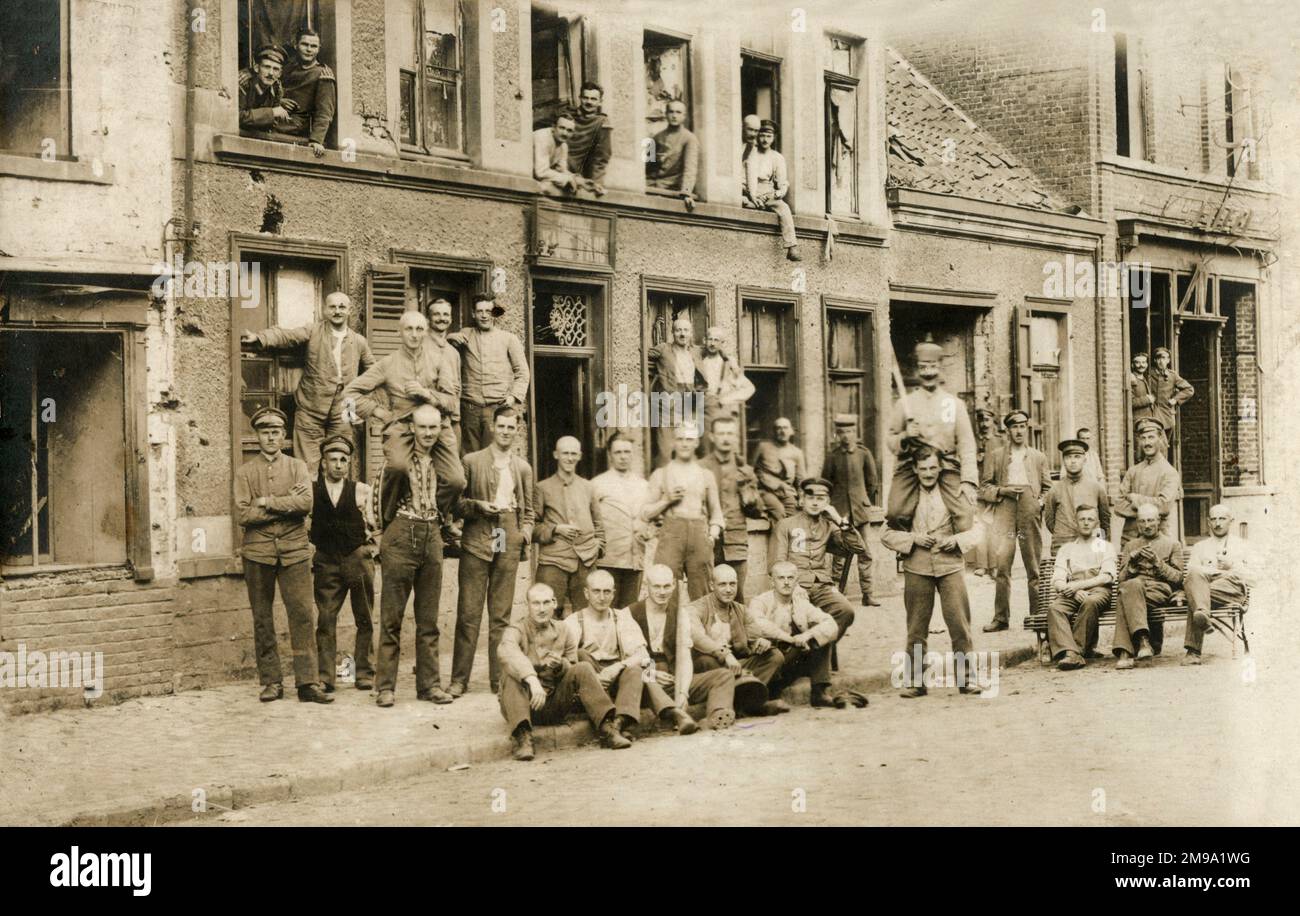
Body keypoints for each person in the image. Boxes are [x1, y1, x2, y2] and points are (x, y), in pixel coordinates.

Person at [234, 407, 331, 704]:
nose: (271, 438)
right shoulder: (245, 472)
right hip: (258, 553)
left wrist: (265, 502)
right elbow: (243, 513)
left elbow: (305, 503)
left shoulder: (298, 467)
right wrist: (283, 504)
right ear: (257, 436)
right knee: (262, 618)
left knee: (301, 614)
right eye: (265, 432)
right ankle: (271, 681)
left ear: (283, 435)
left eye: (276, 432)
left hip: (295, 551)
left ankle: (307, 682)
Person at [341, 309, 465, 524]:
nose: (414, 334)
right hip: (402, 426)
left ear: (426, 332)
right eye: (409, 329)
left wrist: (428, 394)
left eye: (419, 329)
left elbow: (452, 402)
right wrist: (379, 412)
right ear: (400, 332)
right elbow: (348, 394)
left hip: (437, 427)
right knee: (397, 468)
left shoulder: (439, 360)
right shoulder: (388, 363)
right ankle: (389, 520)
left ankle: (436, 517)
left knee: (456, 480)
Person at [881, 448, 985, 697]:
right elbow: (885, 534)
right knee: (916, 627)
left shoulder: (953, 493)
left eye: (932, 468)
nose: (928, 473)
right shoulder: (904, 498)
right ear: (915, 469)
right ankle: (916, 681)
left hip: (950, 566)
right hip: (917, 566)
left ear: (940, 468)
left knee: (959, 624)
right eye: (923, 468)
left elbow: (979, 527)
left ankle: (967, 679)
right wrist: (913, 538)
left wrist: (958, 540)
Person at [241, 291, 374, 477]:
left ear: (349, 311)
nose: (337, 311)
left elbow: (373, 373)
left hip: (344, 410)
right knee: (307, 469)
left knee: (339, 465)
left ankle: (337, 504)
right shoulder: (313, 331)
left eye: (342, 307)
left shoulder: (359, 342)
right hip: (310, 409)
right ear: (324, 310)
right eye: (332, 307)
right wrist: (260, 337)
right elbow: (286, 336)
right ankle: (309, 505)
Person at [449, 405, 534, 698]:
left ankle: (498, 679)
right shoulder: (471, 461)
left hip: (505, 534)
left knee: (500, 614)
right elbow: (456, 503)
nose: (506, 432)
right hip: (479, 532)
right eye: (502, 426)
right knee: (469, 612)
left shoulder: (522, 467)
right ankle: (459, 679)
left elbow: (531, 512)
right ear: (493, 427)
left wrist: (523, 535)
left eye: (512, 427)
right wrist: (477, 506)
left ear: (517, 430)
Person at [498, 583, 632, 762]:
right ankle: (522, 737)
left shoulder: (563, 629)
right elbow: (507, 652)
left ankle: (606, 729)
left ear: (554, 603)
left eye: (546, 603)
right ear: (527, 605)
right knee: (510, 675)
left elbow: (573, 668)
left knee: (583, 668)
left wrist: (561, 666)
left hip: (553, 702)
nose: (542, 609)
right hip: (523, 705)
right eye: (536, 603)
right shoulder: (515, 630)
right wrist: (532, 679)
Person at [372, 404, 450, 707]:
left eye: (434, 428)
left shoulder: (442, 462)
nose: (428, 433)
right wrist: (380, 534)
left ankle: (429, 685)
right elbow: (378, 496)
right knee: (391, 617)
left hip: (432, 535)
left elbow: (453, 489)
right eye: (423, 427)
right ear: (413, 429)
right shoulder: (397, 461)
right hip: (402, 533)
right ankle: (385, 687)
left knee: (428, 620)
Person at [566, 570, 698, 741]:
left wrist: (618, 667)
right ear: (586, 593)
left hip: (617, 681)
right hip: (589, 686)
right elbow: (567, 662)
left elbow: (642, 654)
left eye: (607, 592)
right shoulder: (573, 622)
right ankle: (673, 712)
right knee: (581, 654)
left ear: (613, 594)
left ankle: (620, 723)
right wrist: (593, 677)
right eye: (596, 591)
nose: (601, 597)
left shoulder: (621, 618)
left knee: (637, 670)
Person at [627, 564, 755, 730]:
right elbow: (631, 655)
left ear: (674, 585)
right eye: (656, 586)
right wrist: (652, 672)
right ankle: (677, 715)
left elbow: (684, 657)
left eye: (666, 586)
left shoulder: (681, 614)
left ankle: (718, 714)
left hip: (673, 678)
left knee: (723, 675)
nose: (662, 592)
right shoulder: (629, 613)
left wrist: (683, 692)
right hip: (646, 678)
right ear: (646, 586)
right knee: (644, 676)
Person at [886, 340, 978, 533]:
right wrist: (905, 435)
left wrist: (968, 480)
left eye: (932, 366)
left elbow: (967, 444)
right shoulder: (905, 404)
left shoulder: (954, 404)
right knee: (895, 513)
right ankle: (909, 550)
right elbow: (890, 439)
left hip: (945, 465)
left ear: (940, 368)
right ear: (917, 370)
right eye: (923, 367)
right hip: (912, 466)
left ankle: (955, 556)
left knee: (965, 515)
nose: (928, 372)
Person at [311, 435, 375, 693]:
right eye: (333, 460)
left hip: (356, 558)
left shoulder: (361, 490)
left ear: (349, 463)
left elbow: (374, 522)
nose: (338, 465)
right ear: (324, 462)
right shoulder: (312, 489)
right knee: (326, 619)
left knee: (365, 617)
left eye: (343, 460)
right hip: (326, 561)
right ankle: (326, 676)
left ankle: (364, 673)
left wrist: (369, 549)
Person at [682, 565, 790, 716]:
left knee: (774, 656)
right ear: (712, 585)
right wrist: (725, 654)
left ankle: (741, 702)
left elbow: (754, 635)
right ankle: (749, 704)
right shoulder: (695, 608)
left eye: (732, 584)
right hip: (711, 667)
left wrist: (761, 642)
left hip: (736, 666)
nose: (728, 589)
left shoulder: (741, 610)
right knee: (707, 660)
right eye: (722, 584)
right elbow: (698, 638)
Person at [978, 410, 1051, 633]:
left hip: (1029, 512)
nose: (1019, 431)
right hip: (1005, 512)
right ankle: (1001, 618)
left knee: (1034, 568)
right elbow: (984, 488)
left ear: (1027, 428)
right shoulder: (997, 455)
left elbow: (1047, 488)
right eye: (1015, 426)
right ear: (1007, 431)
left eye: (1022, 426)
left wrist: (1039, 503)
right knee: (1002, 566)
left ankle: (1037, 616)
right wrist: (1003, 491)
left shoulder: (1038, 457)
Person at [771, 477, 863, 641]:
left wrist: (839, 520)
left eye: (820, 499)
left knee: (845, 611)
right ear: (802, 499)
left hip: (821, 587)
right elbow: (776, 564)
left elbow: (858, 548)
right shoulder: (785, 525)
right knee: (790, 617)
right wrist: (792, 586)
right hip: (793, 587)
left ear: (827, 502)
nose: (815, 503)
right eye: (810, 498)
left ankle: (814, 648)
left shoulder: (829, 526)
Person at [747, 561, 844, 707]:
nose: (786, 583)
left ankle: (819, 693)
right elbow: (758, 624)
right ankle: (771, 692)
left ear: (796, 582)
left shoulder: (801, 603)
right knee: (778, 654)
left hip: (793, 660)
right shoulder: (760, 601)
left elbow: (830, 624)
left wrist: (807, 635)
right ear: (772, 581)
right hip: (770, 660)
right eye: (781, 578)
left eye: (790, 578)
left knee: (820, 636)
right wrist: (790, 639)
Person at [644, 426, 724, 600]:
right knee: (664, 587)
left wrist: (712, 535)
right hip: (672, 535)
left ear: (696, 442)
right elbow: (646, 512)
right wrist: (667, 500)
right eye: (680, 439)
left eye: (689, 439)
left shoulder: (706, 475)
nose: (684, 444)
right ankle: (668, 627)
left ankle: (702, 627)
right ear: (673, 442)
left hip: (699, 536)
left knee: (703, 593)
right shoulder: (661, 474)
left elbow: (716, 513)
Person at [447, 293, 531, 455]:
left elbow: (523, 372)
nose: (484, 315)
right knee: (469, 457)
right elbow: (443, 351)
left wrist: (513, 397)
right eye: (480, 311)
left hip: (496, 409)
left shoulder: (508, 339)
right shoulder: (465, 334)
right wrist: (450, 337)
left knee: (495, 455)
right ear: (473, 314)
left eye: (488, 311)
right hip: (469, 409)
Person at [534, 436, 605, 618]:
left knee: (587, 614)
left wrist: (598, 547)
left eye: (574, 453)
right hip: (553, 560)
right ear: (556, 455)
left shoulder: (588, 487)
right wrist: (555, 529)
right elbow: (532, 526)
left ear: (580, 456)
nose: (569, 458)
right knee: (547, 613)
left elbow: (599, 524)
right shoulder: (542, 488)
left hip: (586, 560)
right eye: (565, 453)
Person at [1045, 504, 1117, 670]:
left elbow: (1107, 576)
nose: (1086, 523)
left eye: (1090, 519)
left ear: (1097, 523)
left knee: (1089, 603)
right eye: (1082, 519)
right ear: (1075, 522)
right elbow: (1057, 579)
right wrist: (1073, 590)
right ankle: (1071, 652)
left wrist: (1078, 585)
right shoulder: (1067, 549)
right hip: (1072, 592)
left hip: (1098, 590)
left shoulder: (1104, 546)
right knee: (1055, 608)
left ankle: (1075, 651)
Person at [1181, 504, 1254, 665]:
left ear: (1231, 521)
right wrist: (1211, 573)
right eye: (1213, 519)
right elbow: (1190, 575)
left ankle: (1193, 651)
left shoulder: (1242, 545)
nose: (1217, 523)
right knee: (1197, 591)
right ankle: (1202, 614)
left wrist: (1232, 566)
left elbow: (1255, 578)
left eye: (1222, 518)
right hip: (1207, 588)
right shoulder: (1200, 547)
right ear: (1208, 522)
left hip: (1231, 588)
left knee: (1197, 594)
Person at [699, 416, 761, 604]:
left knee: (737, 598)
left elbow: (757, 512)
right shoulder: (701, 467)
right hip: (707, 541)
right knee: (708, 598)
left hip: (736, 542)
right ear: (711, 437)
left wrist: (749, 495)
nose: (725, 438)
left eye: (730, 433)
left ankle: (738, 633)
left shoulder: (745, 469)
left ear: (735, 437)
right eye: (721, 433)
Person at [1114, 504, 1183, 670]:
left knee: (1125, 596)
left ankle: (1126, 651)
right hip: (1134, 589)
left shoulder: (1172, 544)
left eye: (1151, 520)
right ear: (1137, 523)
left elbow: (1178, 579)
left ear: (1158, 520)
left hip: (1158, 589)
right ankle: (1143, 641)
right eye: (1142, 521)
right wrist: (1131, 565)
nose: (1147, 525)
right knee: (1131, 586)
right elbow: (1121, 580)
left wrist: (1157, 563)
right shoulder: (1130, 545)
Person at [824, 414, 881, 608]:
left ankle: (868, 594)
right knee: (839, 555)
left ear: (855, 433)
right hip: (840, 513)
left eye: (849, 431)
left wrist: (865, 502)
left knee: (865, 553)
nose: (846, 436)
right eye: (842, 432)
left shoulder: (864, 454)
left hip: (860, 511)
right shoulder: (832, 456)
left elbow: (872, 481)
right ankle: (838, 596)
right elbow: (826, 483)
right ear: (837, 434)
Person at [592, 433, 653, 608]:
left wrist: (648, 531)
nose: (623, 456)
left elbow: (650, 518)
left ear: (633, 454)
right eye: (618, 452)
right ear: (610, 455)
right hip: (608, 559)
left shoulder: (643, 485)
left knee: (629, 612)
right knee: (606, 609)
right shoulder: (597, 484)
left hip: (635, 559)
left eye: (627, 452)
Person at [646, 315, 705, 467]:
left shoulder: (696, 351)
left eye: (686, 330)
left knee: (688, 445)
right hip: (668, 402)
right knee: (665, 449)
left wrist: (728, 359)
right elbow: (643, 353)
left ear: (691, 333)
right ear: (673, 333)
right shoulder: (664, 348)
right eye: (678, 330)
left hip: (689, 401)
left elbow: (715, 348)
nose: (682, 334)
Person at [1115, 418, 1182, 545]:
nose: (1147, 443)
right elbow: (1118, 506)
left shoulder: (1169, 472)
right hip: (1130, 539)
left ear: (1160, 438)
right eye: (1143, 438)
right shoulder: (1133, 471)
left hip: (1157, 539)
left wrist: (1134, 498)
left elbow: (1164, 506)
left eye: (1151, 437)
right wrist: (1151, 509)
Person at [742, 119, 800, 261]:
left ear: (774, 138)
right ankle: (753, 204)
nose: (764, 139)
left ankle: (792, 246)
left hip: (768, 194)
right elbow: (742, 177)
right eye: (762, 135)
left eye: (768, 136)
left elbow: (782, 184)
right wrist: (750, 194)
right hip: (748, 192)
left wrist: (776, 194)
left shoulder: (777, 158)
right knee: (740, 202)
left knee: (784, 208)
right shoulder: (749, 152)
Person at [1044, 438, 1111, 552]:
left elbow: (1105, 521)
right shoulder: (1055, 490)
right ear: (1063, 461)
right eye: (1068, 457)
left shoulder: (1096, 488)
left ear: (1084, 460)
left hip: (1091, 545)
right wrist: (1064, 532)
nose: (1073, 461)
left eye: (1077, 457)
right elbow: (1050, 521)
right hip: (1063, 545)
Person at [697, 326, 754, 451]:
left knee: (724, 448)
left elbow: (749, 388)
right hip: (702, 411)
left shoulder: (729, 365)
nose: (712, 343)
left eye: (716, 340)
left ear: (722, 343)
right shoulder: (699, 362)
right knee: (705, 449)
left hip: (722, 410)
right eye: (710, 339)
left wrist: (726, 399)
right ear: (704, 340)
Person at [279, 29, 335, 156]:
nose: (309, 49)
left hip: (294, 126)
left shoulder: (322, 74)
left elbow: (325, 111)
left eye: (313, 46)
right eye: (305, 44)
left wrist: (316, 140)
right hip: (278, 119)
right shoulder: (288, 69)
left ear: (318, 49)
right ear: (296, 45)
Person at [646, 99, 699, 210]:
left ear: (684, 116)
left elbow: (690, 168)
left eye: (678, 112)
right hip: (651, 187)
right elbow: (647, 166)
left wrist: (686, 193)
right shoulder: (656, 137)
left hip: (671, 189)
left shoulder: (689, 139)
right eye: (671, 112)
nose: (674, 116)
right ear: (666, 114)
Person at [754, 417, 807, 520]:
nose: (782, 431)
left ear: (791, 431)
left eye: (785, 428)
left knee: (795, 516)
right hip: (765, 491)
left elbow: (801, 478)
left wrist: (802, 496)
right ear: (774, 431)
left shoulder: (797, 452)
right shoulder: (763, 447)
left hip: (787, 492)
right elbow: (750, 471)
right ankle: (780, 535)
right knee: (779, 512)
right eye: (778, 428)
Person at [564, 81, 612, 195]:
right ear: (580, 98)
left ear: (600, 102)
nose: (589, 102)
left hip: (577, 175)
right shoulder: (567, 116)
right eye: (585, 98)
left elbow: (601, 157)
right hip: (558, 168)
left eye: (593, 99)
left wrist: (596, 183)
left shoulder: (601, 123)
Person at [239, 45, 289, 132]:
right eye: (267, 67)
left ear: (280, 73)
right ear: (256, 68)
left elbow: (272, 122)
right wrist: (271, 112)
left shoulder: (276, 88)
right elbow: (236, 117)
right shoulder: (244, 83)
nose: (271, 73)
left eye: (276, 69)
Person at [1147, 346, 1194, 436]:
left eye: (1164, 358)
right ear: (1154, 360)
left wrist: (1175, 399)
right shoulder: (1149, 374)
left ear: (1168, 360)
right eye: (1158, 358)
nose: (1161, 361)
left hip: (1167, 415)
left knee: (1165, 444)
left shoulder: (1172, 375)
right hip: (1151, 415)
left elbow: (1189, 389)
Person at [533, 112, 580, 196]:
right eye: (562, 128)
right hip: (523, 178)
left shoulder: (563, 145)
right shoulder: (543, 137)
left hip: (535, 179)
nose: (565, 133)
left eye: (569, 131)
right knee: (554, 191)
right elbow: (541, 172)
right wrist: (567, 179)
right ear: (553, 127)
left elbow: (561, 169)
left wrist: (577, 179)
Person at [1129, 353, 1158, 429]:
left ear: (1147, 364)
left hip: (1147, 421)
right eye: (1137, 362)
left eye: (1144, 362)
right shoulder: (1131, 379)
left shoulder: (1144, 379)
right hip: (1138, 422)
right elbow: (1130, 402)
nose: (1141, 365)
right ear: (1132, 365)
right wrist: (1148, 399)